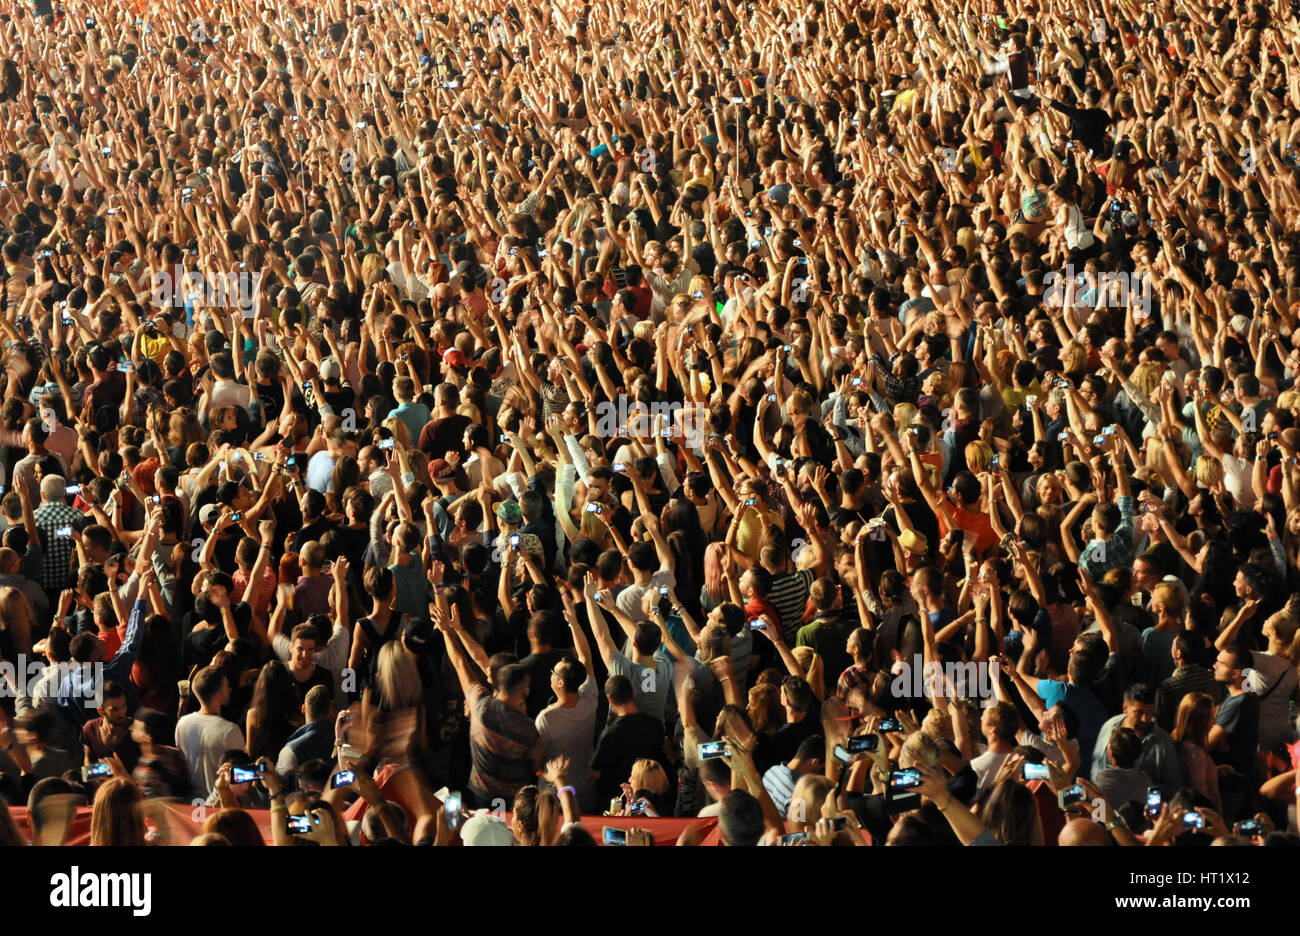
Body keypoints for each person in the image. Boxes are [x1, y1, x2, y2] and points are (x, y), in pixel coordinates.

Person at [175, 666, 247, 801]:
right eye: (226, 685)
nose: (229, 689)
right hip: (221, 801)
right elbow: (240, 776)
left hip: (193, 803)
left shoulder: (182, 723)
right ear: (217, 694)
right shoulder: (229, 731)